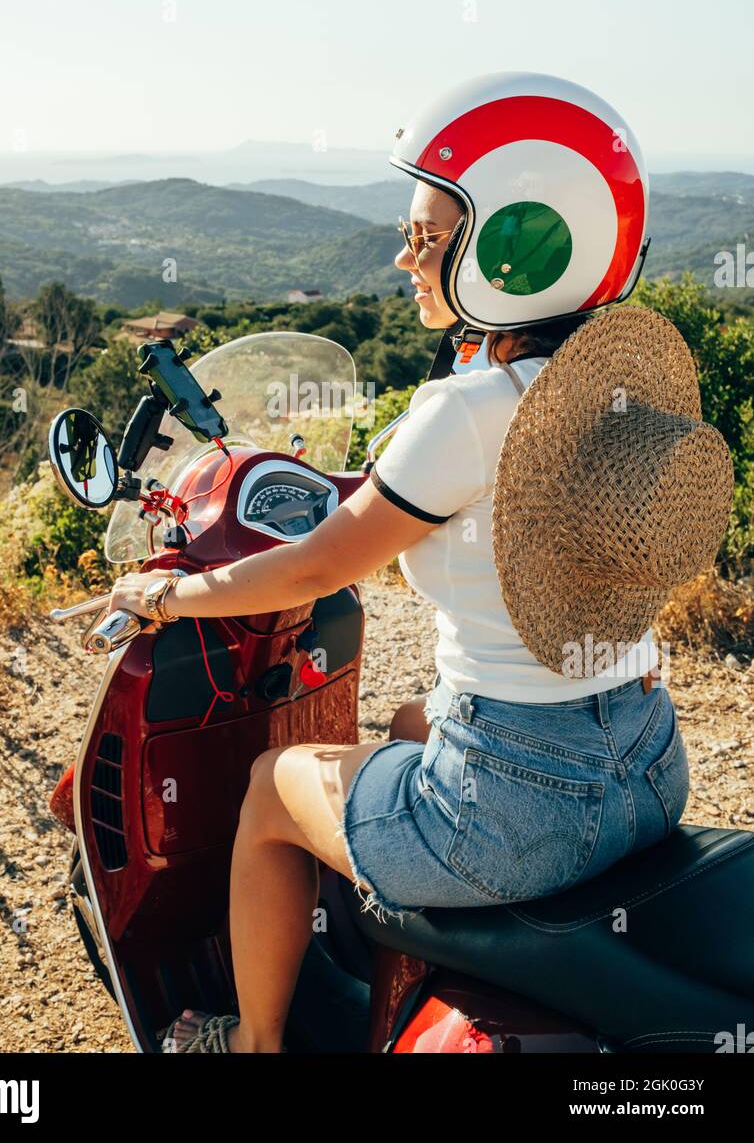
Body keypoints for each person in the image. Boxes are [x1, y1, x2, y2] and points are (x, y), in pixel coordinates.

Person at [104, 73, 734, 1054]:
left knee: (272, 783)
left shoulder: (466, 411)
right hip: (645, 764)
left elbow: (315, 568)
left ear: (512, 248)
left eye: (428, 236)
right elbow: (466, 495)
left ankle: (252, 1043)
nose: (402, 256)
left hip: (527, 807)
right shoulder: (613, 380)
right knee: (408, 718)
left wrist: (173, 594)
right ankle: (380, 965)